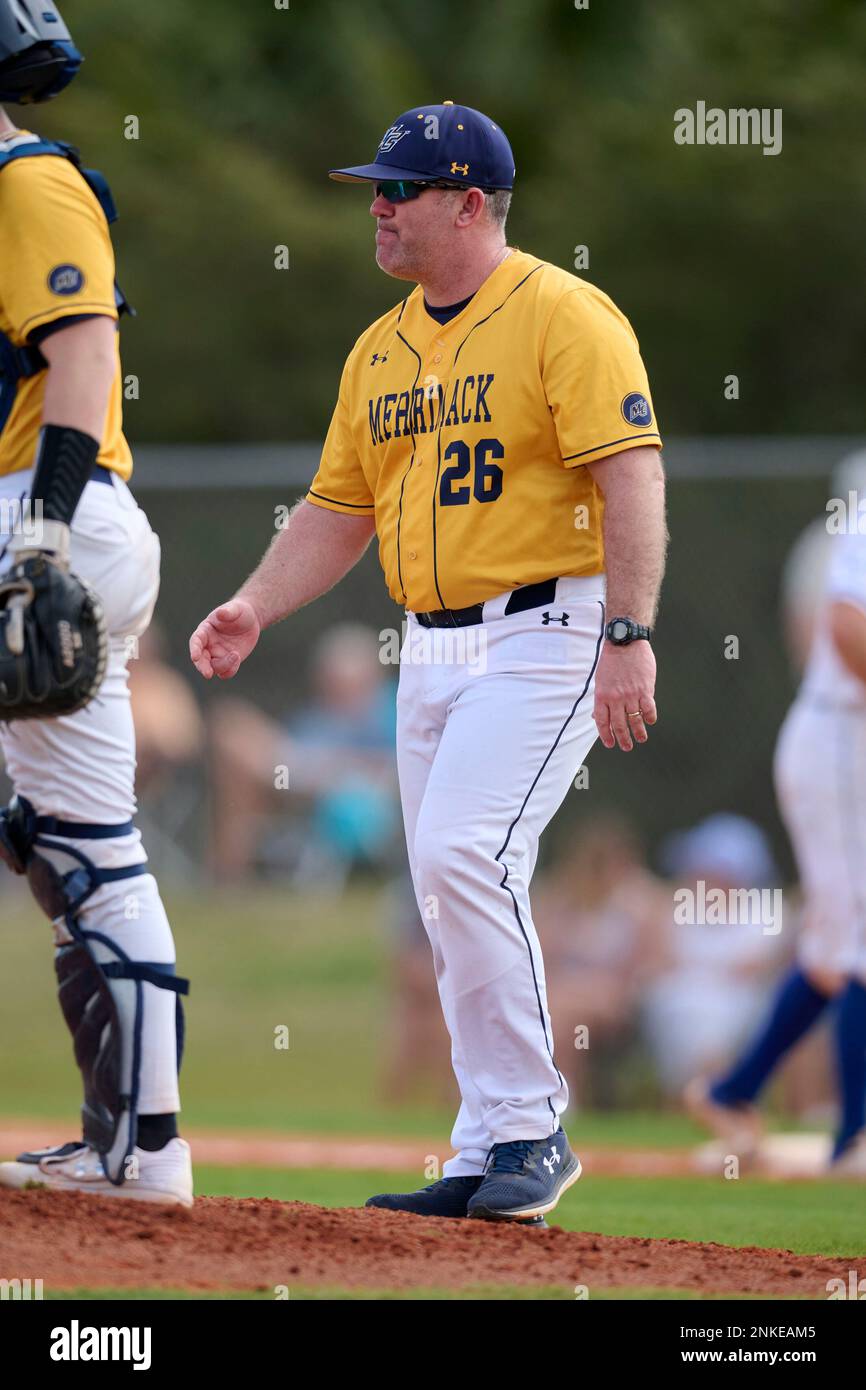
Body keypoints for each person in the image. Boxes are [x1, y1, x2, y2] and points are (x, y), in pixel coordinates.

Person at [191, 101, 667, 1223]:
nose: (377, 206)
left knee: (465, 850)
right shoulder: (381, 346)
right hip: (433, 646)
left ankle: (532, 1129)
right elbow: (335, 509)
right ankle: (485, 1141)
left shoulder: (562, 313)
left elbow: (631, 476)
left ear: (467, 202)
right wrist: (256, 603)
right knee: (445, 886)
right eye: (375, 187)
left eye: (398, 189)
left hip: (549, 628)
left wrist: (628, 633)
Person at [0, 3, 191, 1206]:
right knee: (62, 843)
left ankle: (143, 1150)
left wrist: (40, 538)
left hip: (46, 514)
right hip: (43, 514)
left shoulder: (25, 181)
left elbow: (84, 356)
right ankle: (136, 1146)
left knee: (82, 845)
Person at [687, 471, 866, 1173]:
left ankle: (733, 1091)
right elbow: (847, 623)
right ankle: (854, 1136)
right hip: (841, 737)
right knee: (858, 937)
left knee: (833, 948)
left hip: (844, 740)